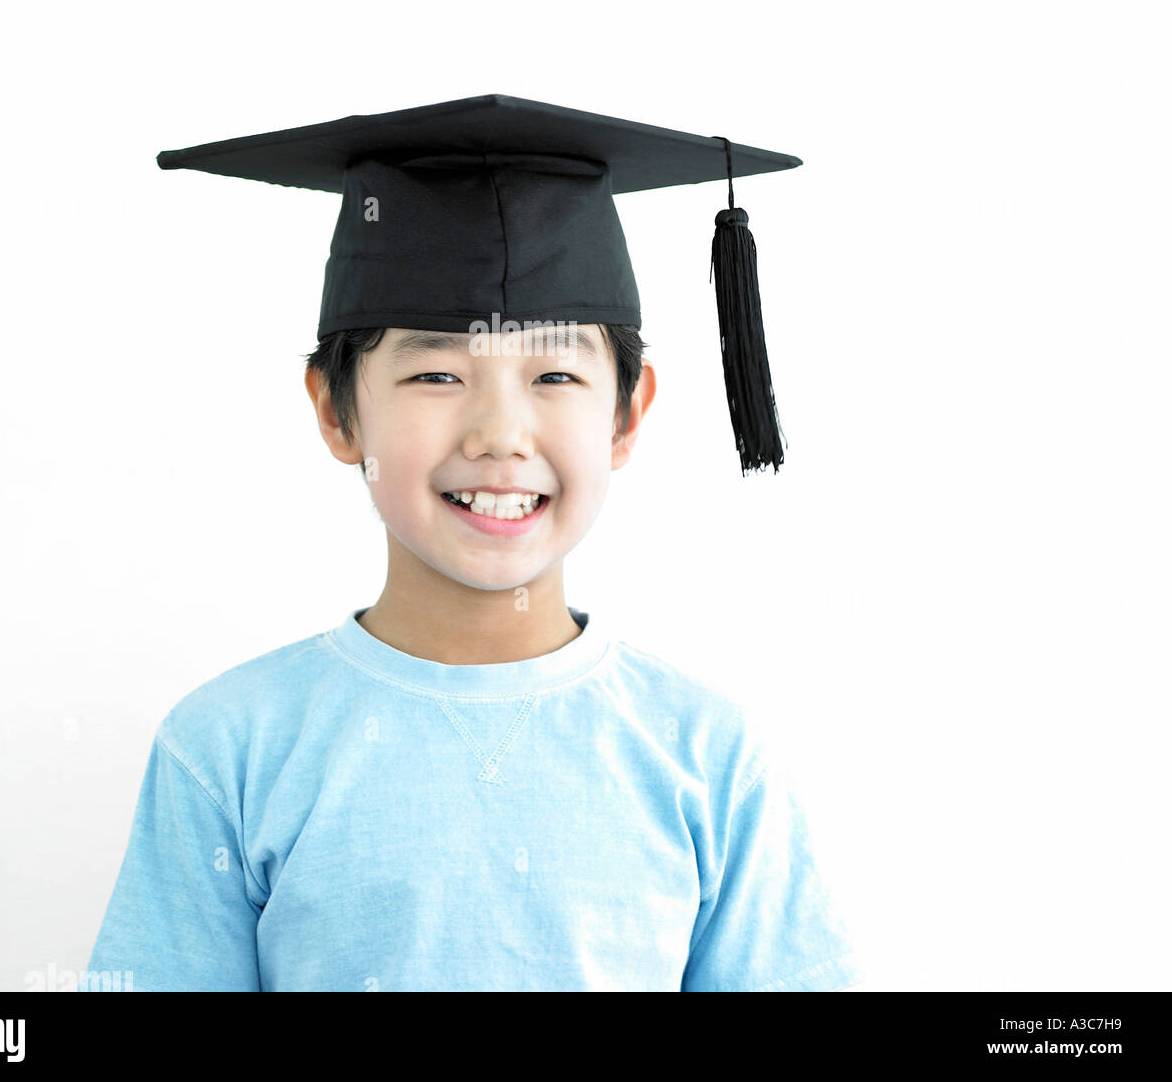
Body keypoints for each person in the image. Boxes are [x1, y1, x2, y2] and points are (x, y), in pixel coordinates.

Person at [81, 94, 864, 991]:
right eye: (436, 372)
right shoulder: (230, 751)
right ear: (338, 411)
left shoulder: (709, 759)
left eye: (557, 372)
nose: (500, 432)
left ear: (627, 413)